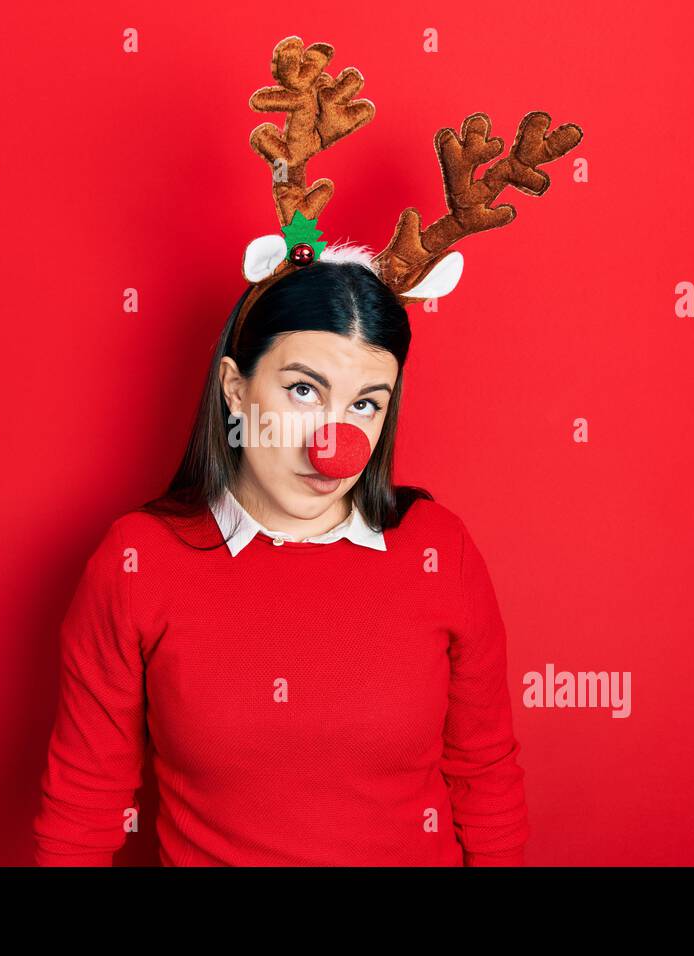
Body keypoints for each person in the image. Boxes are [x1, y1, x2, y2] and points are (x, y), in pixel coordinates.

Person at [31, 32, 580, 867]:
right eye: (301, 390)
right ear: (234, 388)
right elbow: (83, 808)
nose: (336, 442)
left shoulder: (441, 552)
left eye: (366, 403)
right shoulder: (136, 563)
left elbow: (484, 776)